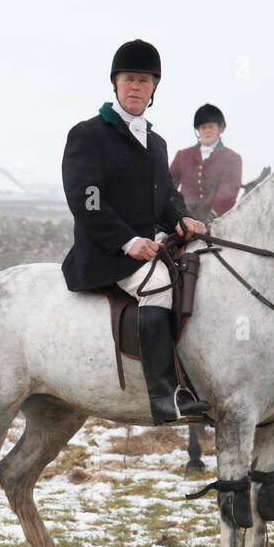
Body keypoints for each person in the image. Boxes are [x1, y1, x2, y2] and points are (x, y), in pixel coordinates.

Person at [60, 39, 210, 424]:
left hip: (150, 246)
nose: (135, 87)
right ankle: (164, 396)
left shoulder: (156, 142)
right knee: (159, 284)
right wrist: (128, 242)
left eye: (144, 81)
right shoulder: (88, 134)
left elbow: (164, 199)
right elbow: (86, 200)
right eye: (128, 79)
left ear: (154, 89)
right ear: (115, 84)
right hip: (105, 252)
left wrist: (182, 219)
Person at [169, 104, 243, 219]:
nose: (207, 131)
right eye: (203, 128)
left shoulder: (232, 158)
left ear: (220, 128)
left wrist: (213, 215)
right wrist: (174, 210)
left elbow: (229, 190)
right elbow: (169, 185)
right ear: (198, 130)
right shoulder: (182, 156)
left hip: (215, 219)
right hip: (183, 217)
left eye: (211, 127)